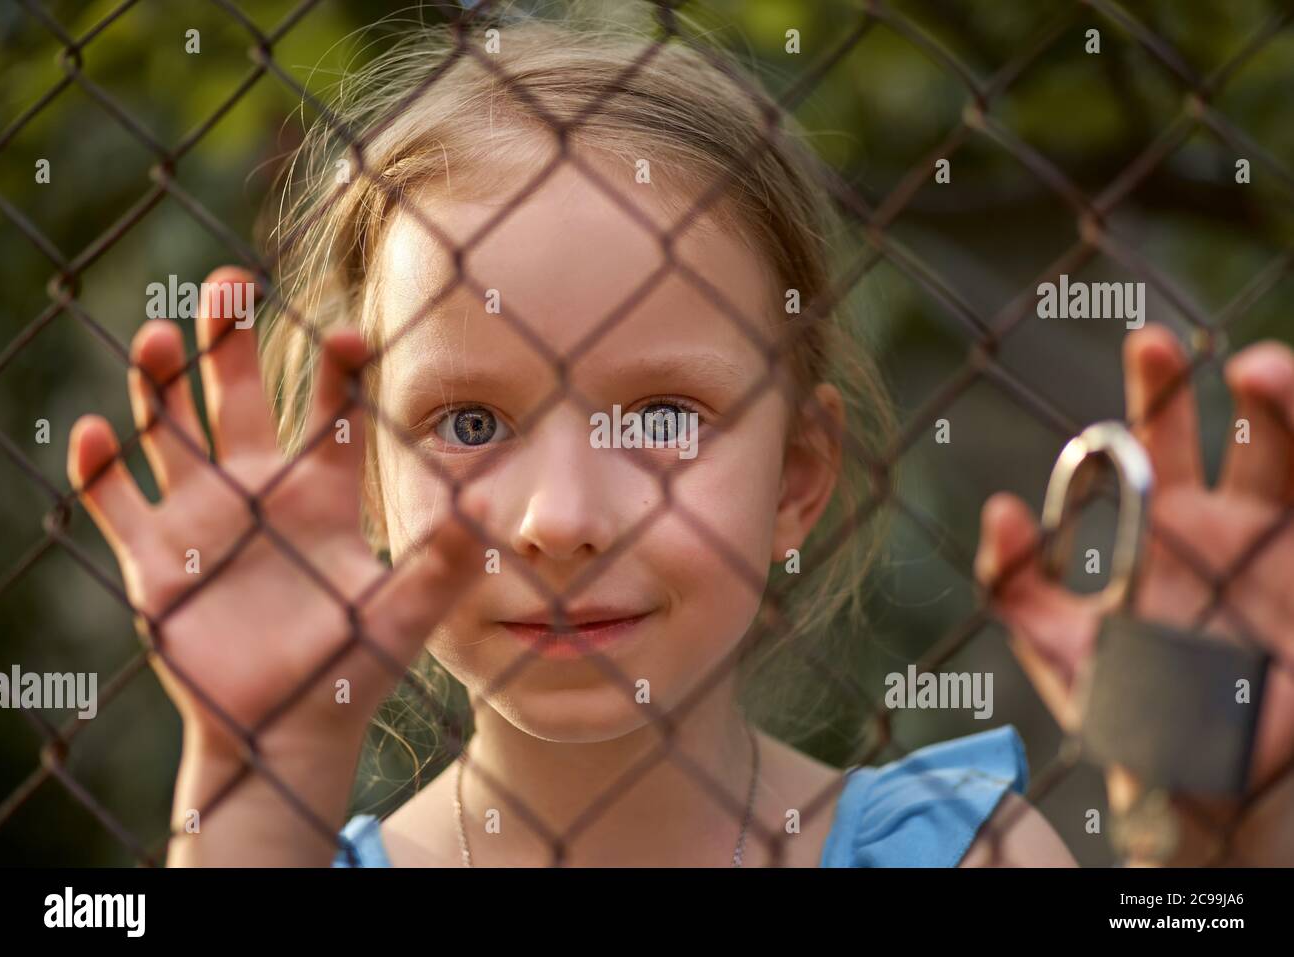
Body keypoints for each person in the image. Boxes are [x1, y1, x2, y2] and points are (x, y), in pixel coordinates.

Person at [66, 13, 1294, 868]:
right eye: (469, 423)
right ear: (368, 487)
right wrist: (255, 776)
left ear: (795, 481)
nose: (560, 517)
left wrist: (1215, 825)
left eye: (660, 418)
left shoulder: (954, 857)